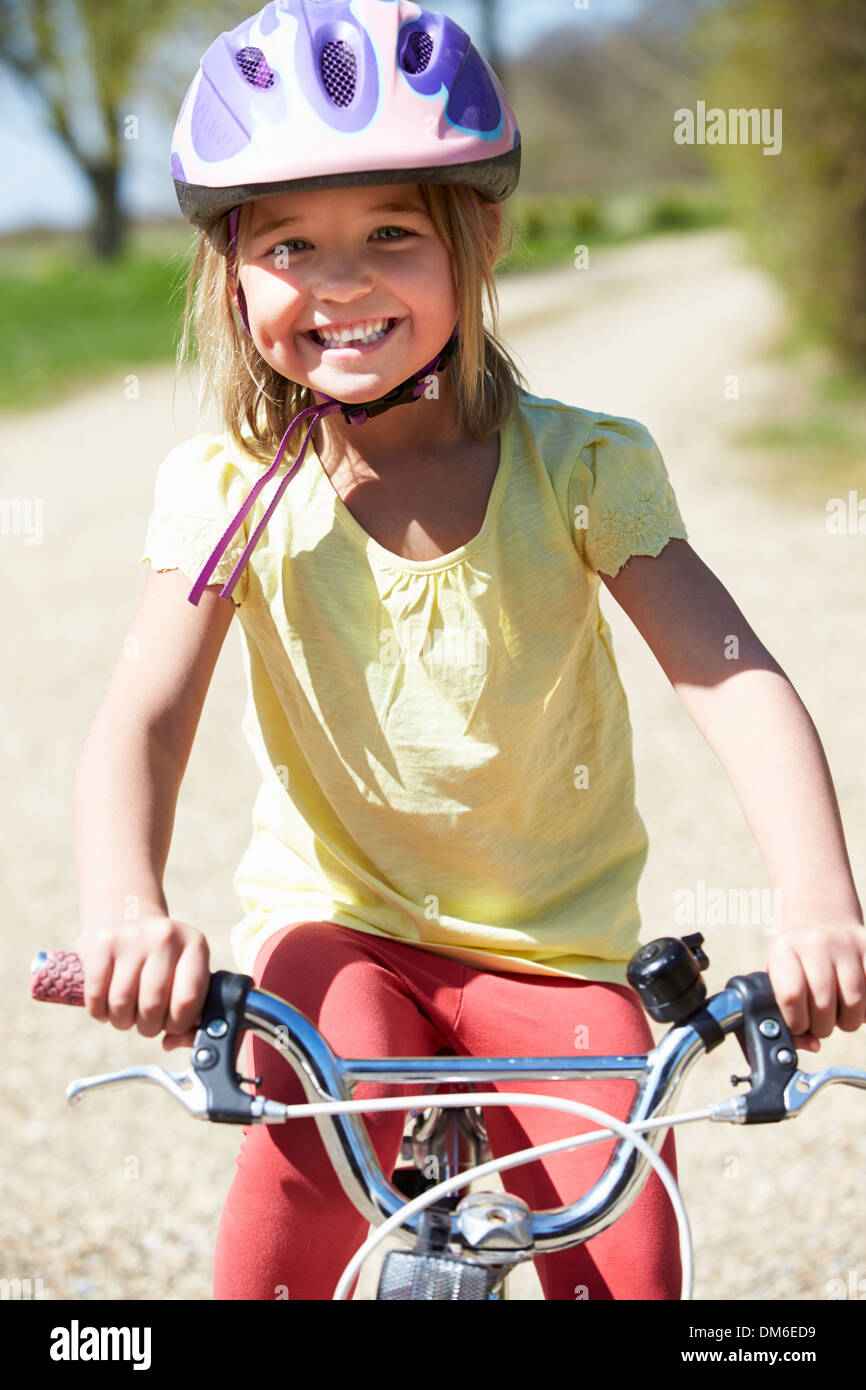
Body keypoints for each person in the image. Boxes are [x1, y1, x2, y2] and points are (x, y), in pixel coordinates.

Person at [73, 0, 865, 1302]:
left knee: (626, 1232)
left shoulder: (577, 466)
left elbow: (727, 672)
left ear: (477, 237)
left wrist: (816, 896)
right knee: (309, 1137)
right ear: (230, 267)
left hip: (549, 945)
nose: (339, 281)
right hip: (339, 927)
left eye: (391, 231)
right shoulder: (228, 489)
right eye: (288, 243)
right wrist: (124, 904)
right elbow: (143, 718)